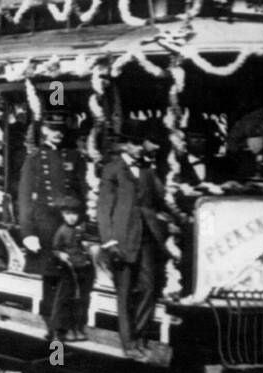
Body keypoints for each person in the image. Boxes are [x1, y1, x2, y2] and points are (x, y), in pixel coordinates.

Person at [97, 118, 184, 359]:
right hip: (122, 239)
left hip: (147, 238)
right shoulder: (112, 170)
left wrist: (180, 215)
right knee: (125, 293)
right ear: (126, 146)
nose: (140, 150)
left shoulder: (147, 170)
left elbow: (162, 198)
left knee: (148, 287)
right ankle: (129, 343)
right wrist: (109, 241)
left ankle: (141, 335)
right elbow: (104, 208)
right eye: (135, 145)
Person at [18, 110, 83, 309]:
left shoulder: (73, 156)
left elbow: (82, 191)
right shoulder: (35, 159)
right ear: (44, 130)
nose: (58, 133)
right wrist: (28, 232)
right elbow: (25, 197)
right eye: (53, 129)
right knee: (51, 275)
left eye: (61, 129)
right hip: (44, 222)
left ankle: (62, 324)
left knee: (69, 274)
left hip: (68, 222)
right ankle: (52, 328)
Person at [46, 193, 95, 343]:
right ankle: (57, 332)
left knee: (79, 299)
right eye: (68, 214)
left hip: (81, 267)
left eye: (74, 214)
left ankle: (75, 329)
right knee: (64, 299)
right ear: (62, 215)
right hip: (68, 269)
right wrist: (61, 255)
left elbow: (86, 242)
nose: (72, 217)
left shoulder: (81, 227)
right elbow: (55, 248)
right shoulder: (61, 231)